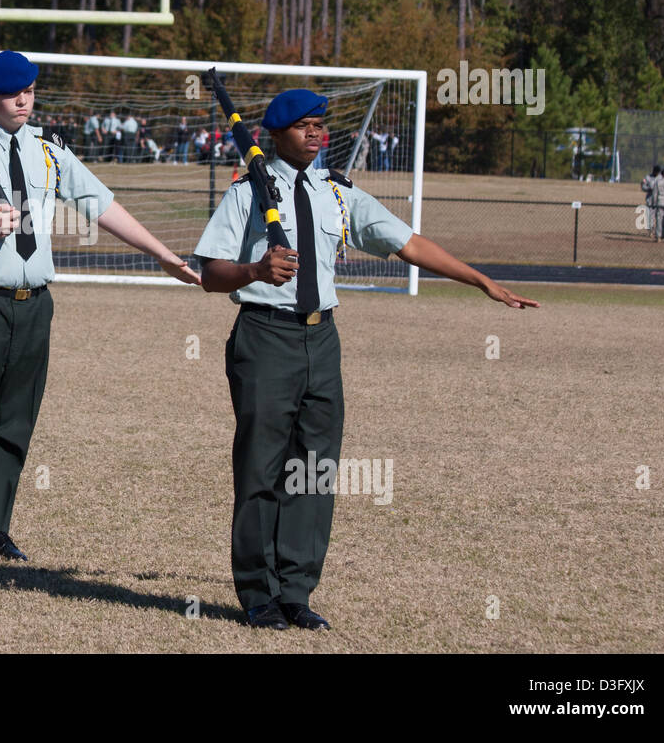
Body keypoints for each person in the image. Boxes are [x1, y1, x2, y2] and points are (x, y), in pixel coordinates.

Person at [193, 88, 538, 632]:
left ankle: (296, 591)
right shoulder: (246, 193)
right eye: (303, 126)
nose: (314, 133)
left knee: (315, 469)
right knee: (261, 467)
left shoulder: (337, 193)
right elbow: (210, 275)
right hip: (265, 338)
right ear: (276, 135)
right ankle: (258, 593)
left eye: (319, 125)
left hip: (321, 340)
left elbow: (406, 243)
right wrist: (257, 271)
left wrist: (480, 280)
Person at [0, 50, 200, 561]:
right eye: (10, 93)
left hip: (33, 305)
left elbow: (100, 203)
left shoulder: (49, 150)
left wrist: (160, 253)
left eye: (28, 90)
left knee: (15, 418)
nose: (22, 100)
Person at [641, 165, 659, 238]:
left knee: (659, 216)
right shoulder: (647, 177)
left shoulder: (661, 178)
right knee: (650, 216)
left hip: (659, 200)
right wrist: (648, 188)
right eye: (656, 172)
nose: (657, 173)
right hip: (650, 199)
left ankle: (658, 232)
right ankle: (650, 231)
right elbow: (643, 186)